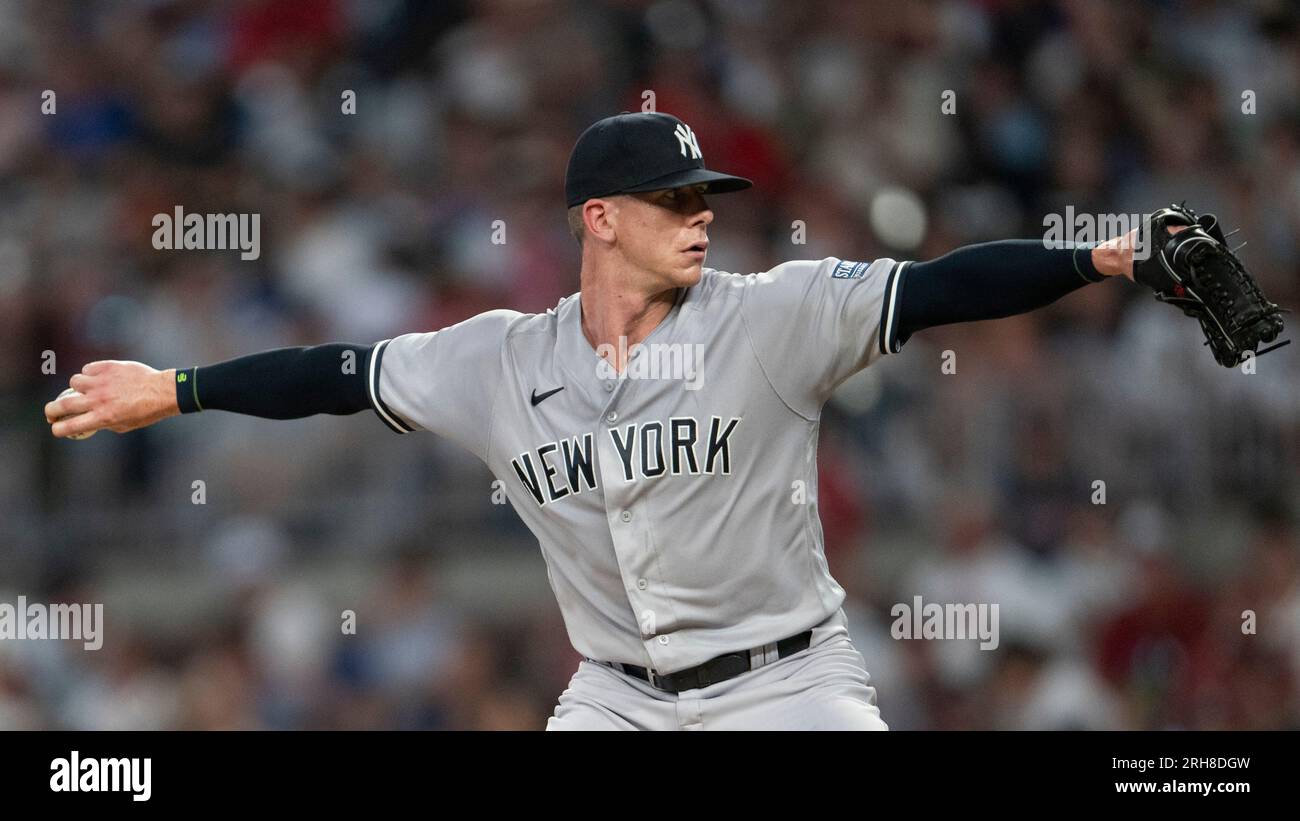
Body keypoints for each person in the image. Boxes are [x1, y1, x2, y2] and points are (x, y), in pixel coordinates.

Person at [45, 111, 1170, 730]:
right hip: (613, 697)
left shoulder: (772, 316)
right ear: (598, 219)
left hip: (788, 687)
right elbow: (337, 371)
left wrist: (1098, 256)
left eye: (704, 199)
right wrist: (177, 387)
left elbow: (942, 286)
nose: (698, 218)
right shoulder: (497, 357)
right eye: (673, 202)